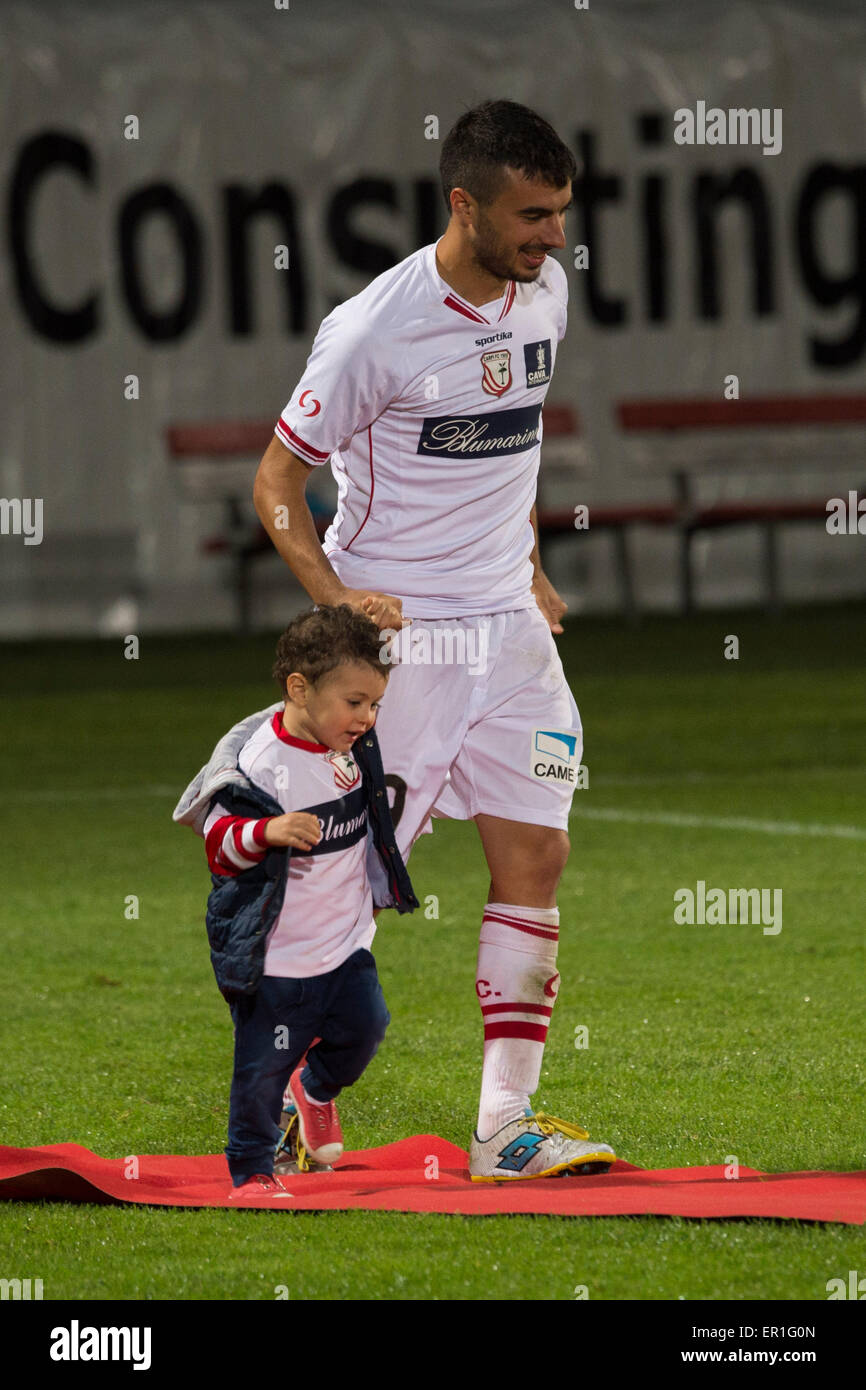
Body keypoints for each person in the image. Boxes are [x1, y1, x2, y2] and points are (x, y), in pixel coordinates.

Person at [253, 99, 615, 1180]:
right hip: (409, 645)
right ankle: (292, 1087)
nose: (554, 238)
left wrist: (533, 567)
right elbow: (276, 484)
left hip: (508, 634)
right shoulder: (373, 329)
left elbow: (517, 447)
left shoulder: (541, 291)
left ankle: (505, 1127)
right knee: (348, 886)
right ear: (462, 205)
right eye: (531, 215)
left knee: (535, 854)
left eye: (559, 213)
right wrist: (337, 602)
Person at [172, 605, 417, 1193]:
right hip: (276, 960)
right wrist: (269, 832)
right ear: (299, 689)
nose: (367, 718)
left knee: (367, 1028)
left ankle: (314, 1090)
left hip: (344, 946)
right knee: (259, 1074)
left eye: (375, 704)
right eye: (354, 703)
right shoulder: (261, 765)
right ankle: (252, 1173)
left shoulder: (355, 744)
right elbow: (219, 848)